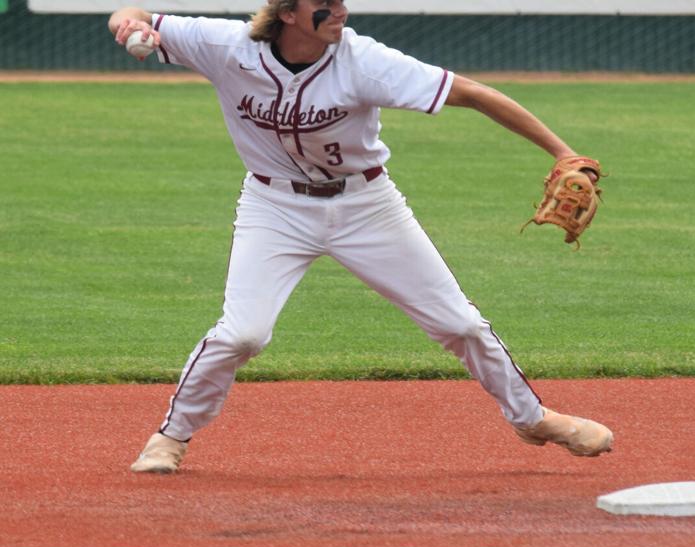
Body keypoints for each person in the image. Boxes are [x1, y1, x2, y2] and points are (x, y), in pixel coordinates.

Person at [110, 1, 612, 474]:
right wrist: (129, 24)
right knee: (243, 333)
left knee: (460, 324)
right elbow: (132, 12)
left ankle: (533, 419)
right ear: (287, 13)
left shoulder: (363, 61)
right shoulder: (226, 46)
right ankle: (171, 437)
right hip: (274, 207)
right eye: (323, 2)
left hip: (366, 207)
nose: (340, 10)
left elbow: (475, 95)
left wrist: (566, 154)